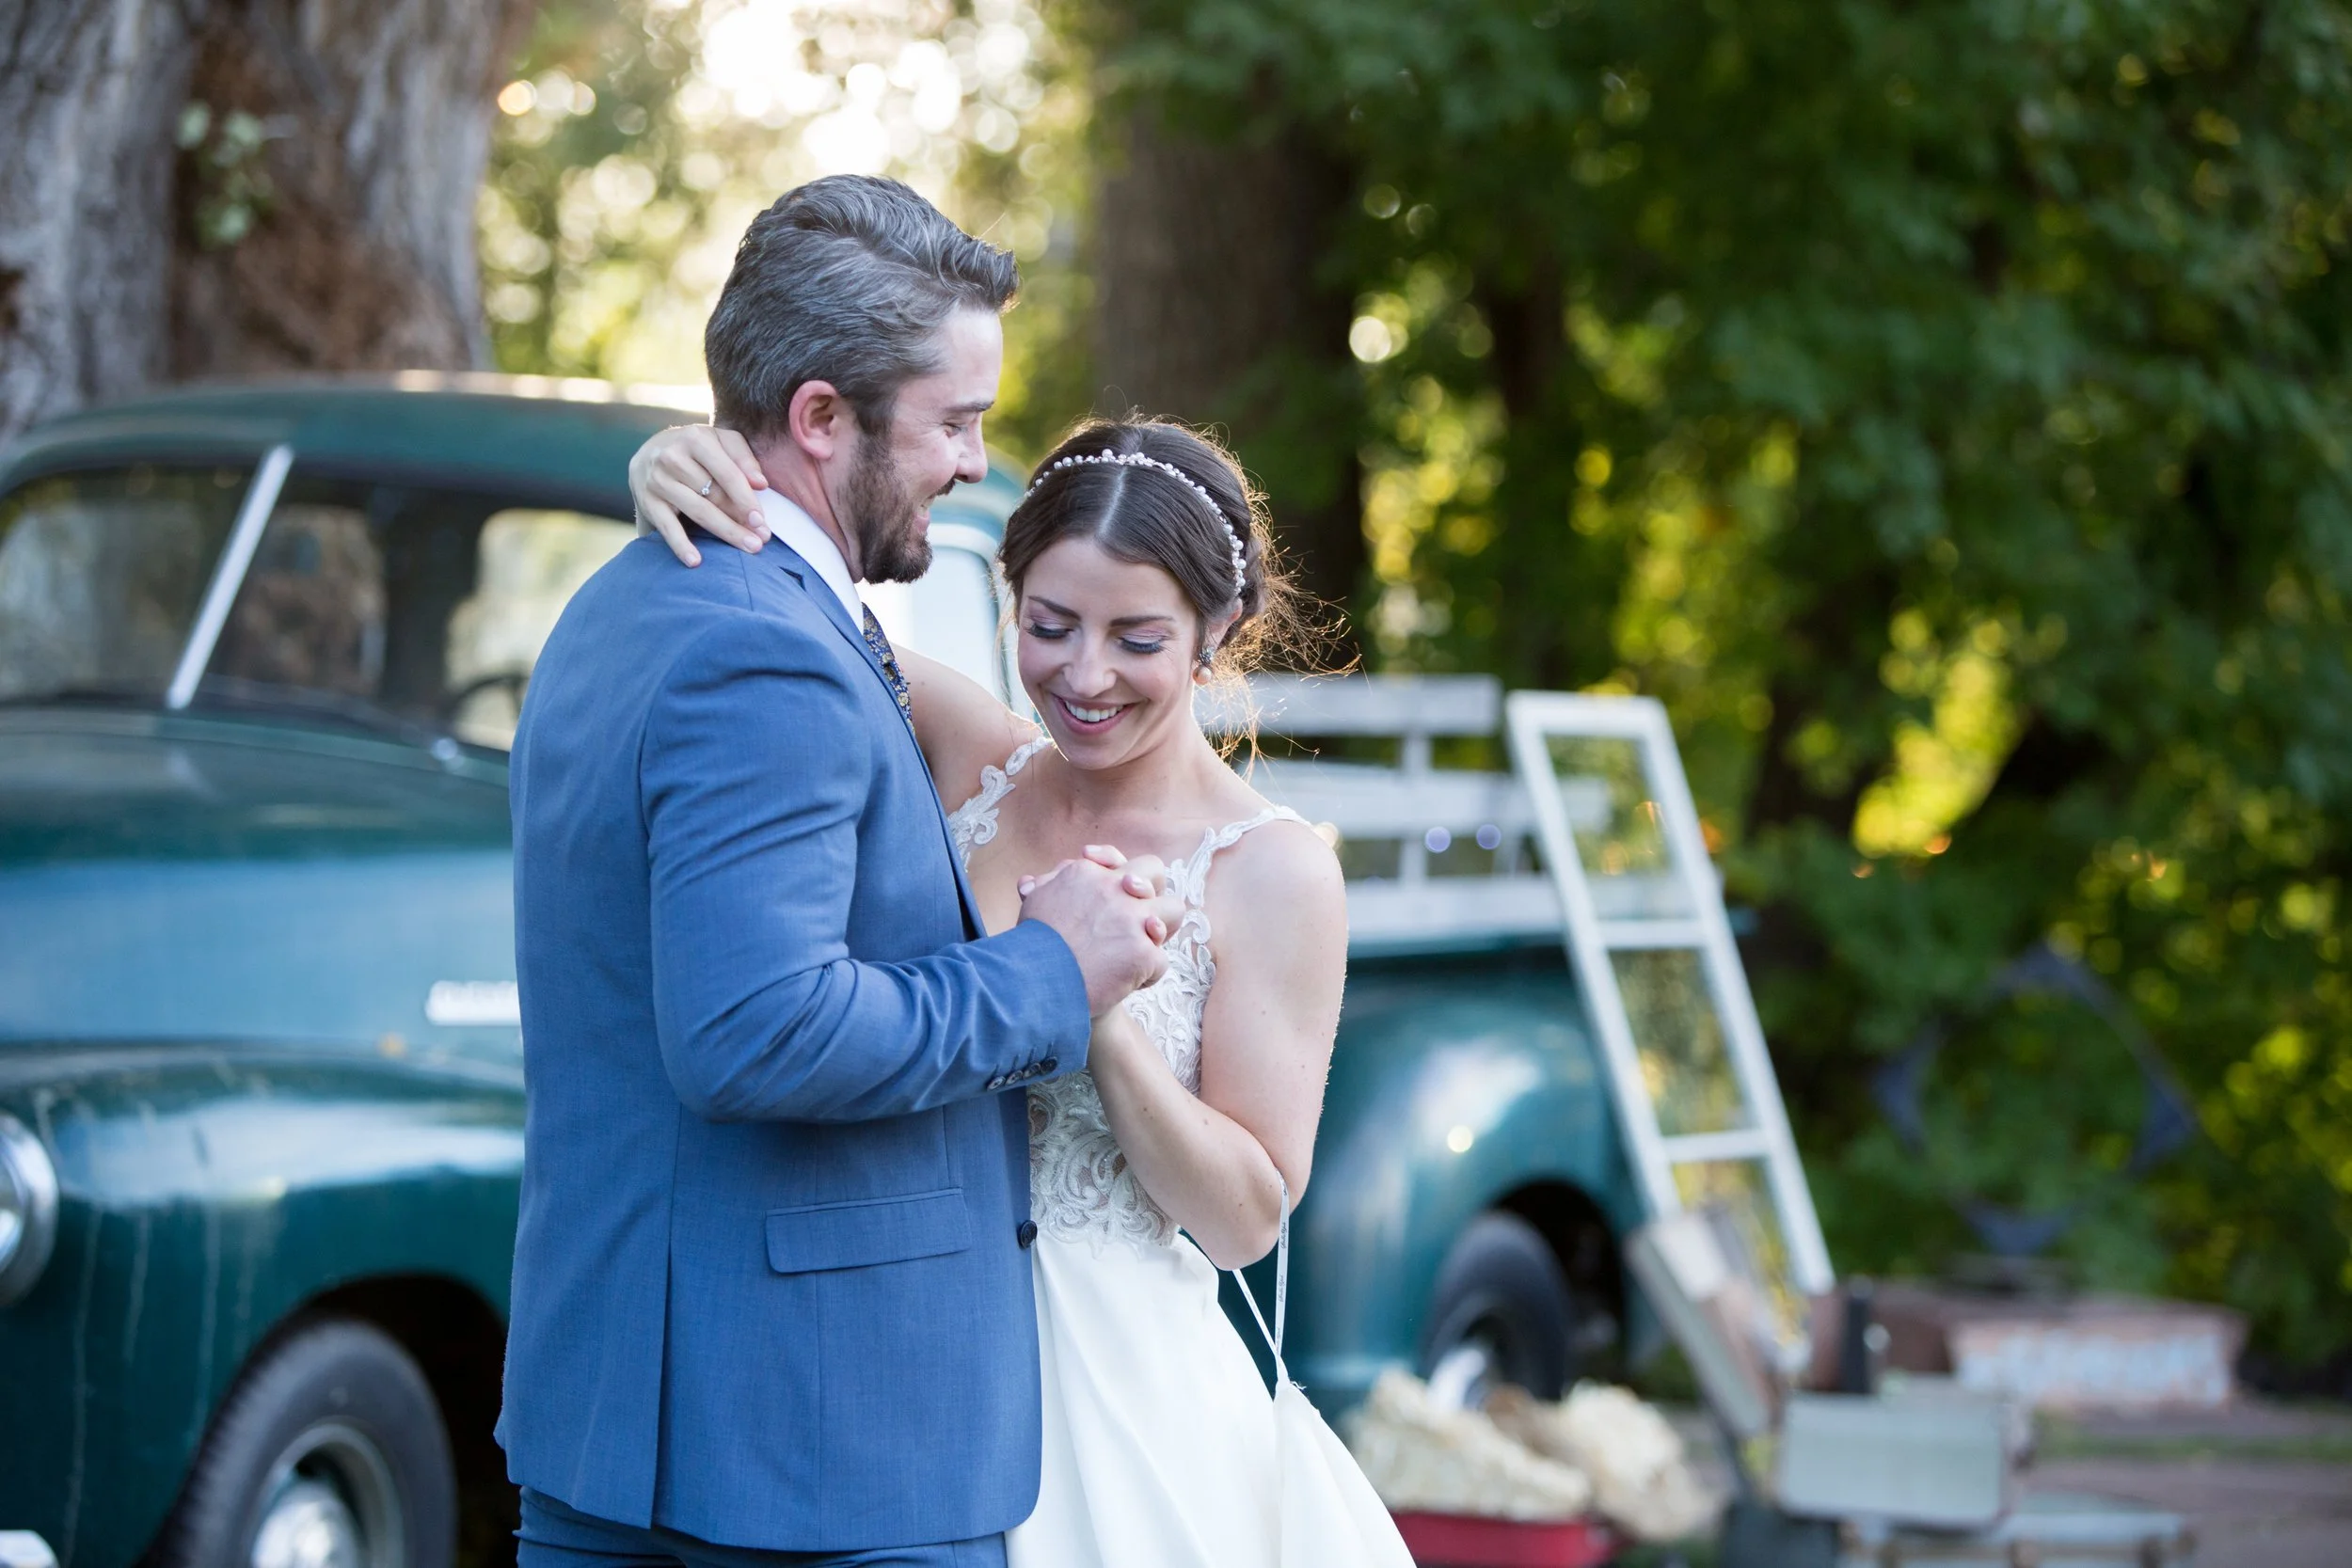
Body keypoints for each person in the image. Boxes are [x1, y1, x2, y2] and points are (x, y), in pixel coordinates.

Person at [501, 175, 1185, 1568]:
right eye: (954, 420)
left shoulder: (622, 604)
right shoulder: (767, 648)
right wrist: (1050, 971)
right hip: (821, 1451)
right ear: (821, 416)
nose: (974, 463)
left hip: (624, 1423)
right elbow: (757, 1026)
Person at [630, 401, 1412, 1564]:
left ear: (1215, 629)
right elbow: (780, 609)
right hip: (896, 1343)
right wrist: (673, 466)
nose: (1083, 675)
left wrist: (1093, 1009)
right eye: (1049, 624)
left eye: (1136, 639)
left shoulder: (1273, 869)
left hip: (1116, 1394)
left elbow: (1246, 1217)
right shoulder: (968, 748)